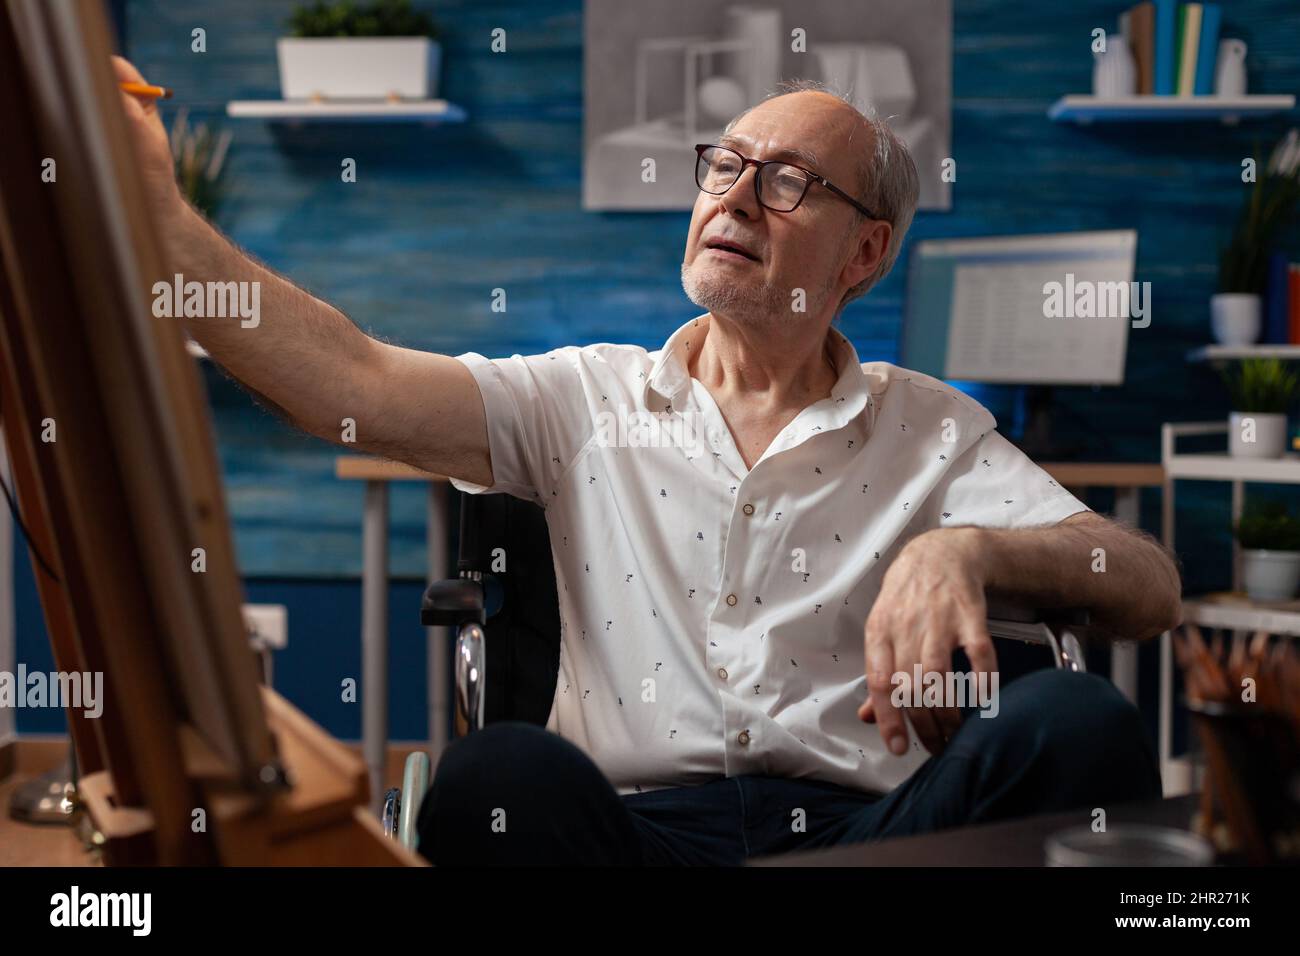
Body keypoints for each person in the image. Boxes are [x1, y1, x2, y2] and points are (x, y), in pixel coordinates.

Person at [114, 59, 1180, 865]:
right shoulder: (584, 396)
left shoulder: (929, 427)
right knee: (496, 772)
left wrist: (967, 549)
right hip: (628, 842)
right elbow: (349, 383)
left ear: (864, 253)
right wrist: (162, 224)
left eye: (790, 180)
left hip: (873, 838)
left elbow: (1145, 582)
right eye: (725, 165)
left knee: (1077, 721)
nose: (735, 196)